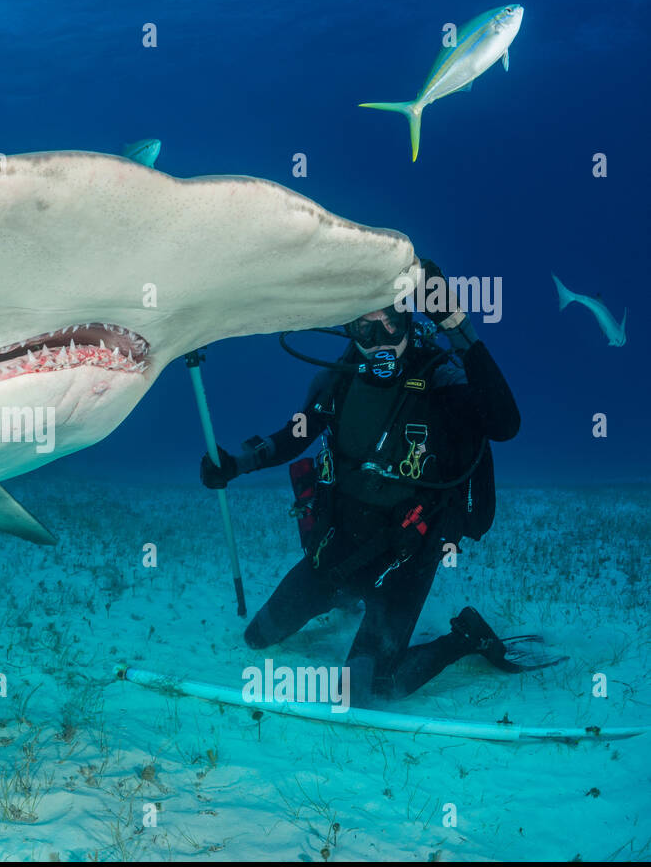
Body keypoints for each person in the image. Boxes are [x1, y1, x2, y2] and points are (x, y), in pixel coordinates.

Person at [201, 259, 560, 702]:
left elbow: (505, 424)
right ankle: (344, 598)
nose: (379, 341)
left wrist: (454, 323)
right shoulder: (338, 381)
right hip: (340, 546)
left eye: (390, 323)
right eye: (365, 328)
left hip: (406, 553)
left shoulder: (440, 380)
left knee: (364, 688)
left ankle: (464, 638)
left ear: (410, 317)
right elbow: (295, 436)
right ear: (349, 329)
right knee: (258, 636)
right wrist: (237, 464)